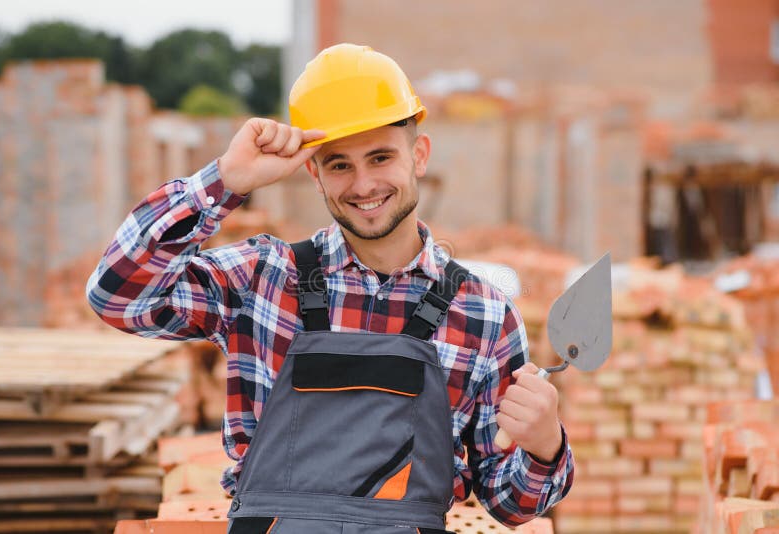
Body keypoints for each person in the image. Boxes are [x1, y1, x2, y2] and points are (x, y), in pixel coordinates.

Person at [87, 43, 573, 533]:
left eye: (380, 157)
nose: (363, 185)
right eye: (340, 164)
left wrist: (544, 445)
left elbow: (510, 505)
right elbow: (118, 296)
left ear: (418, 155)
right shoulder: (263, 279)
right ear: (313, 174)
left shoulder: (482, 314)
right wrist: (224, 181)